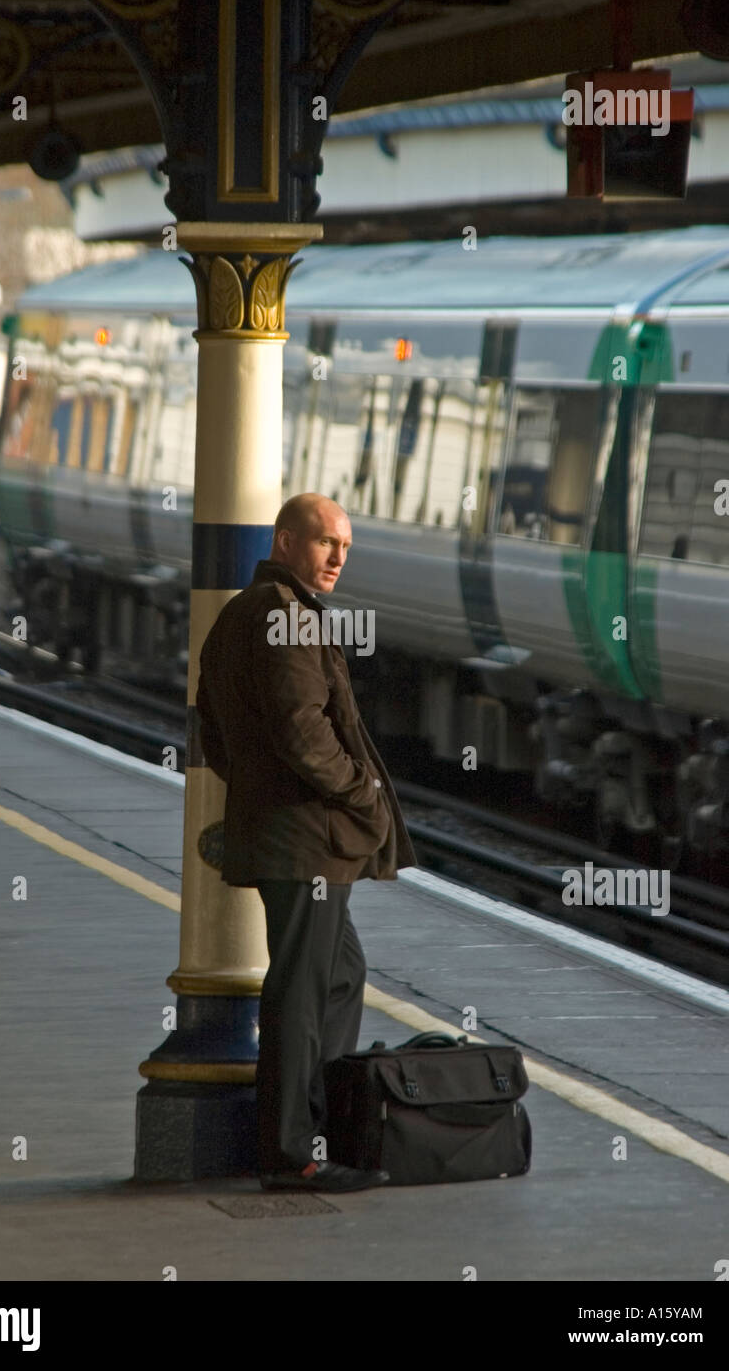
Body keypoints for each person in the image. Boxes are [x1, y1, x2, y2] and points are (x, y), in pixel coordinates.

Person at [195, 492, 416, 1193]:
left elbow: (214, 732)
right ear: (285, 540)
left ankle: (322, 1125)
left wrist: (260, 790)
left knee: (338, 974)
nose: (338, 559)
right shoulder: (282, 617)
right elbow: (301, 732)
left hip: (290, 834)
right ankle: (293, 1153)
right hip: (308, 840)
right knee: (299, 989)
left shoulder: (242, 613)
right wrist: (362, 791)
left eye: (346, 548)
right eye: (326, 543)